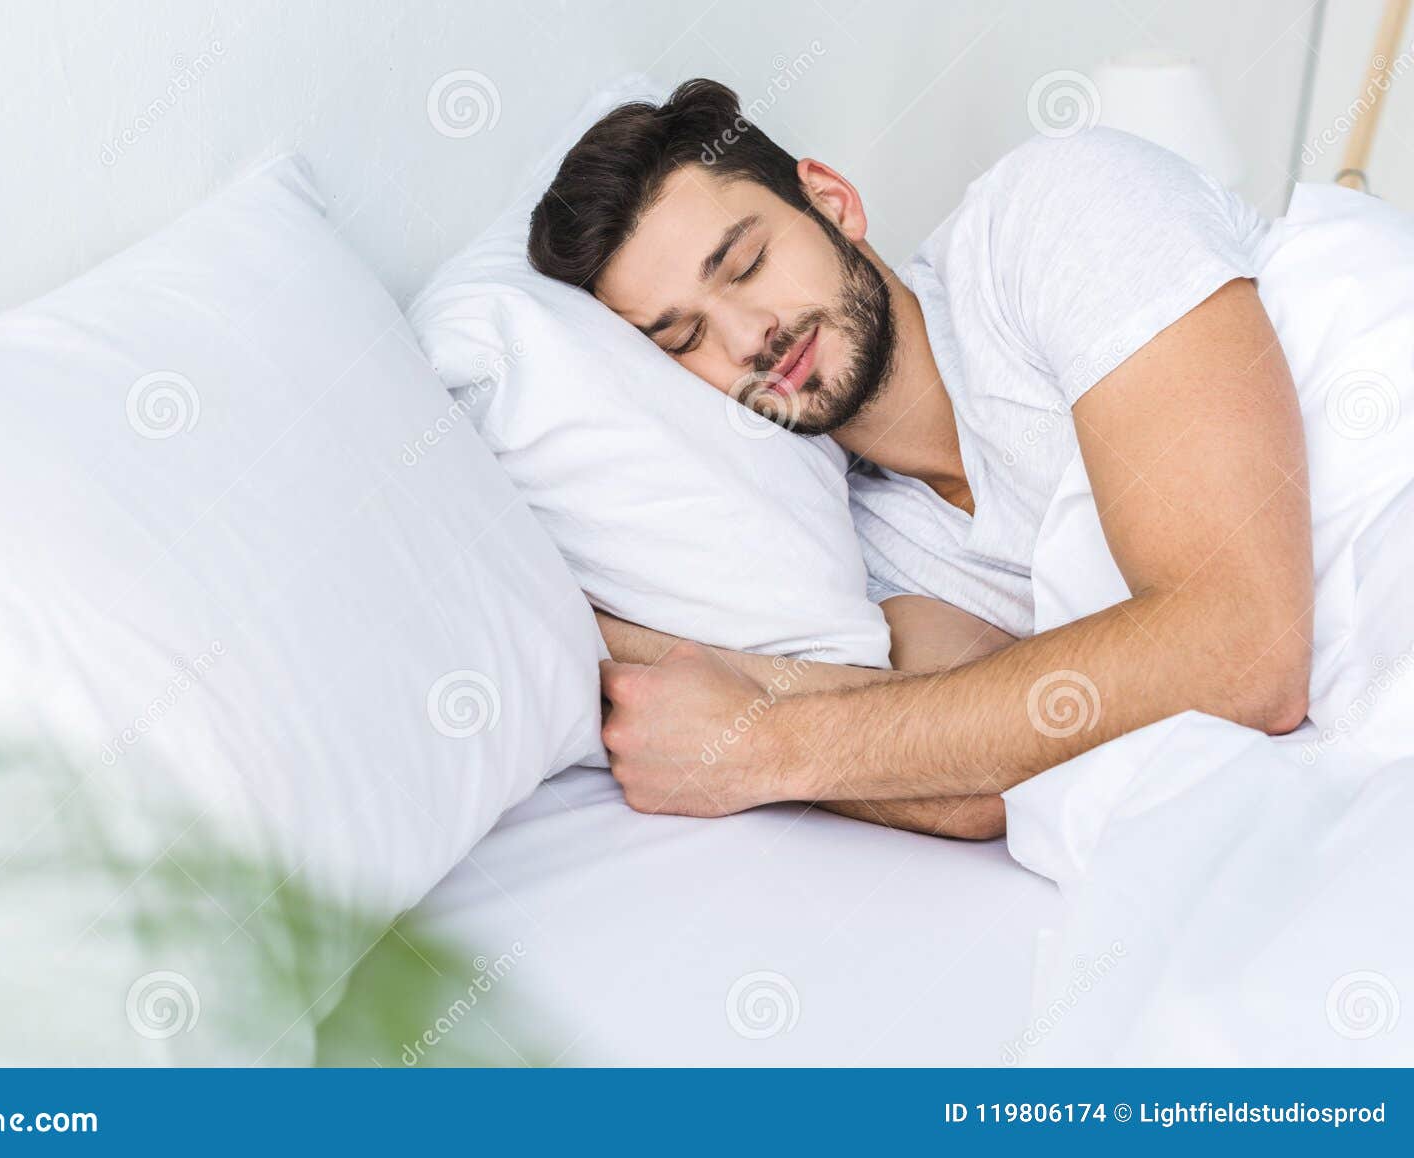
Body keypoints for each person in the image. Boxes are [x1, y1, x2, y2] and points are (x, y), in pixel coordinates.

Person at [526, 79, 1312, 839]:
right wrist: (592, 629)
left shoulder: (1051, 214)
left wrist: (761, 748)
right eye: (685, 339)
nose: (746, 337)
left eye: (745, 265)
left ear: (832, 201)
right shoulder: (859, 561)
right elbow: (985, 788)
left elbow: (1246, 650)